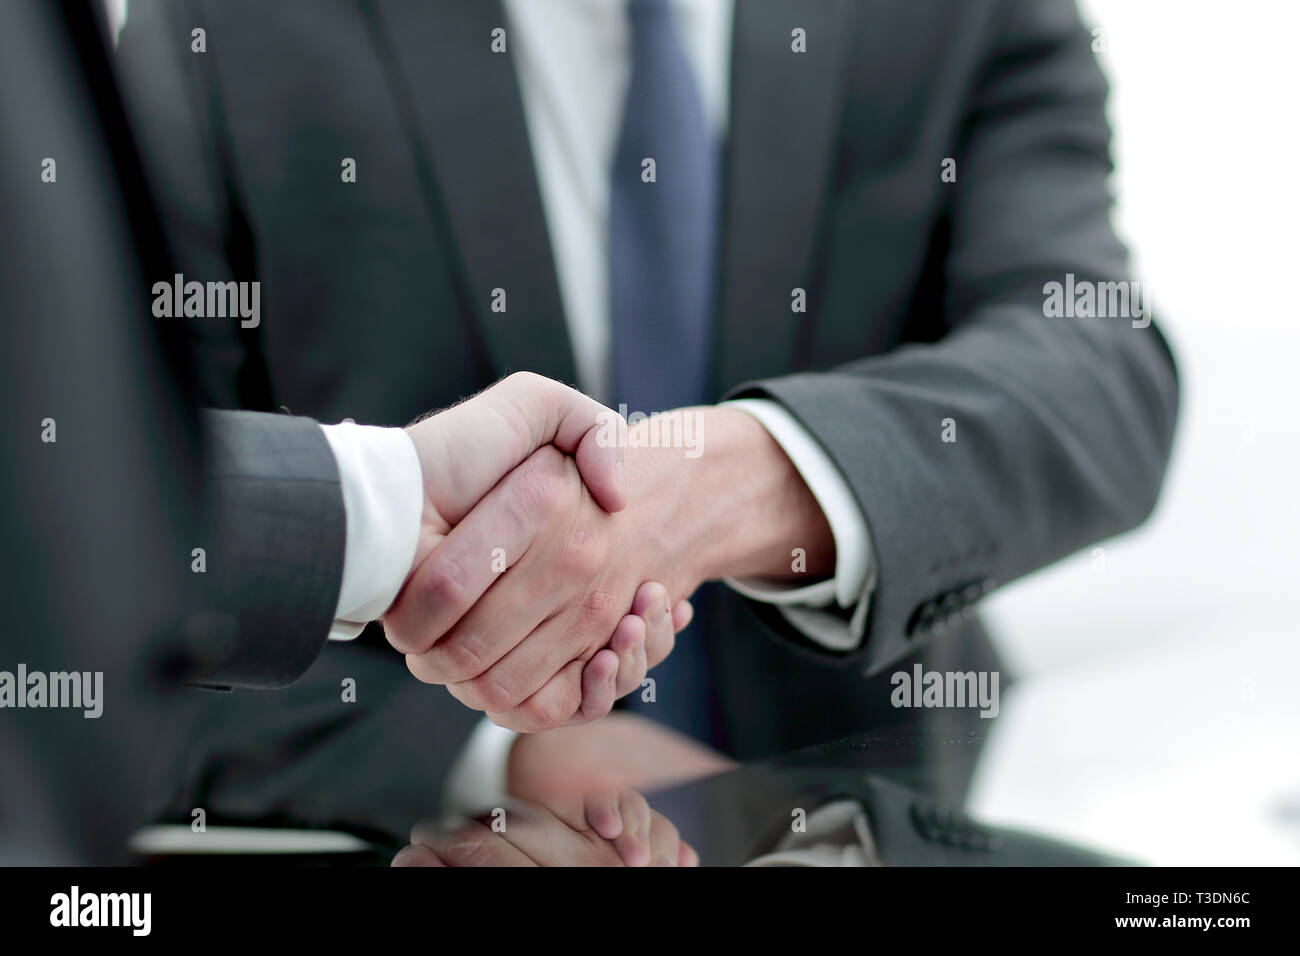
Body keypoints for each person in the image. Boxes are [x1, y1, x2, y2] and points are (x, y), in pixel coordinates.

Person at [112, 0, 1178, 832]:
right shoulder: (223, 33)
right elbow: (122, 554)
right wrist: (499, 757)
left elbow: (1095, 367)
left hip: (877, 819)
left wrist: (723, 482)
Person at [0, 0, 676, 863]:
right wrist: (505, 753)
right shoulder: (218, 32)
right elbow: (84, 554)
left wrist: (399, 504)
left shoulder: (893, 33)